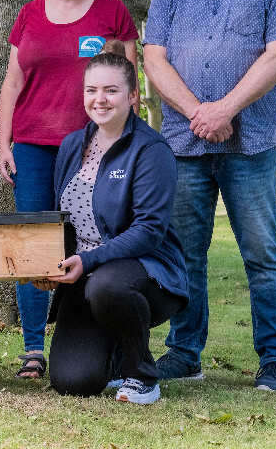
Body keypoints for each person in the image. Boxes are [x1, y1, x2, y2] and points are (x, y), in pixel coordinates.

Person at [143, 0, 276, 392]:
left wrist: (227, 108)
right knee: (186, 253)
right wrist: (198, 112)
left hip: (249, 143)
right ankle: (185, 351)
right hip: (184, 146)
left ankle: (275, 358)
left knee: (262, 254)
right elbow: (154, 57)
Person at [0, 0, 138, 379]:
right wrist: (4, 142)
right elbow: (13, 82)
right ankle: (34, 348)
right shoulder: (29, 14)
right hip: (34, 145)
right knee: (34, 243)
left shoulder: (113, 13)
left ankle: (101, 330)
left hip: (94, 146)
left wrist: (128, 144)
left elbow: (129, 82)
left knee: (99, 235)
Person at [40, 44, 188, 403]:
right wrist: (44, 263)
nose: (99, 100)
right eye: (91, 90)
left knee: (107, 286)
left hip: (143, 273)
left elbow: (149, 231)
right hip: (84, 278)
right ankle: (118, 355)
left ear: (133, 95)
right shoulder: (72, 144)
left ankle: (142, 376)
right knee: (72, 381)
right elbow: (61, 221)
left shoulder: (151, 150)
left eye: (111, 90)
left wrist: (89, 261)